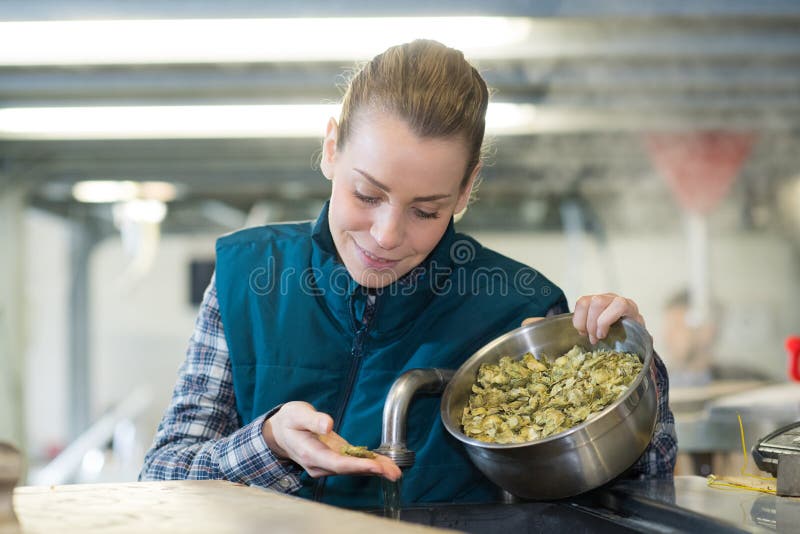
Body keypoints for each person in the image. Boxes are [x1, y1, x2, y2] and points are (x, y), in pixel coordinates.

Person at [140, 39, 677, 507]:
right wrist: (270, 445)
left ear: (466, 191)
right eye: (366, 194)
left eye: (426, 211)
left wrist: (634, 374)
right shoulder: (247, 274)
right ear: (331, 149)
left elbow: (629, 488)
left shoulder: (521, 311)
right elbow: (161, 475)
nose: (387, 235)